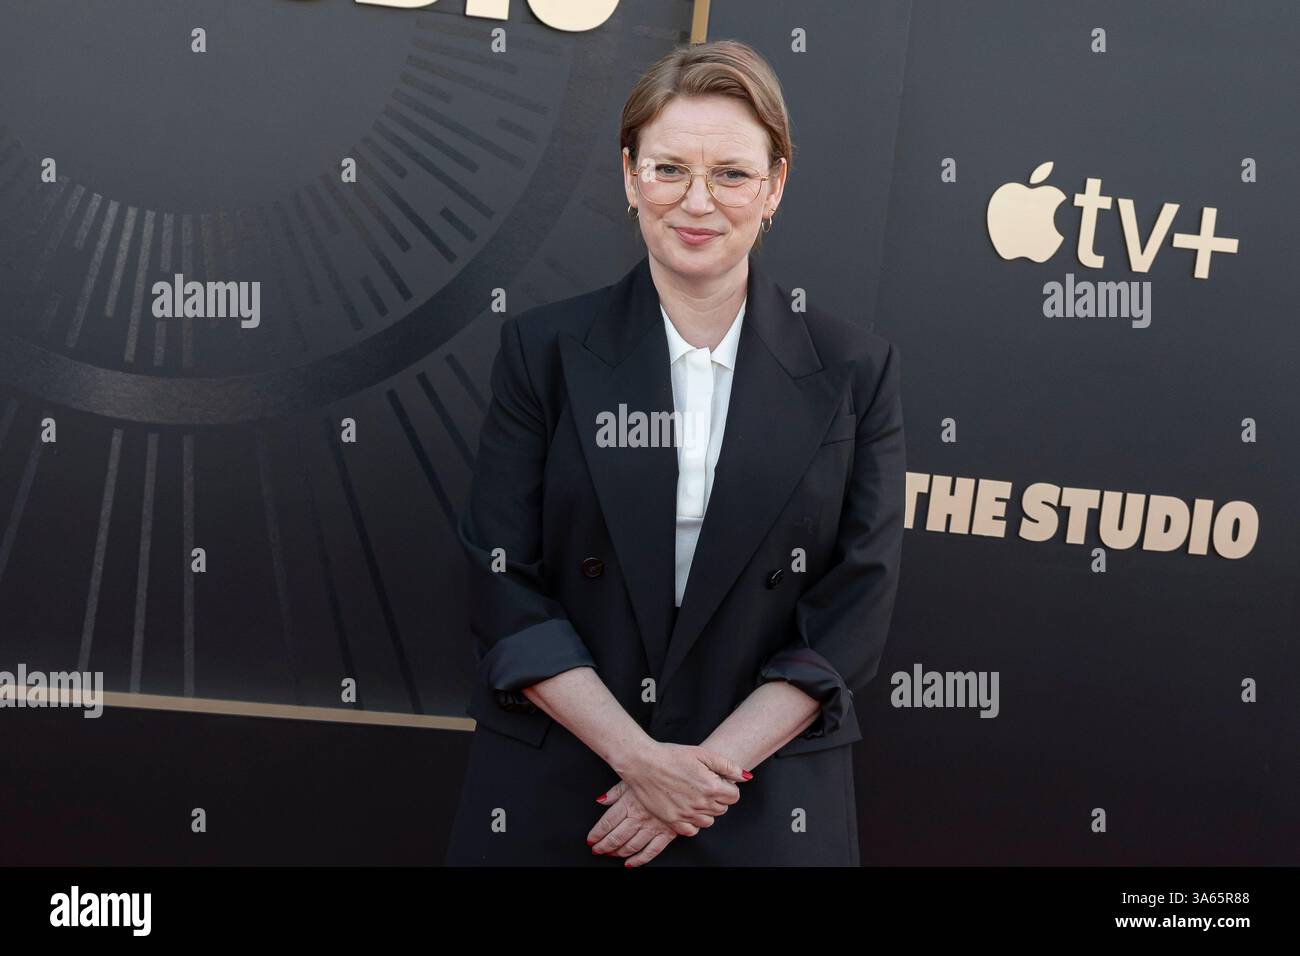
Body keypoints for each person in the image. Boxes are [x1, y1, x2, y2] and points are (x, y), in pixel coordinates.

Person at [444, 38, 905, 866]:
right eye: (668, 170)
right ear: (630, 177)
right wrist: (640, 761)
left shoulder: (854, 372)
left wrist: (698, 780)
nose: (697, 202)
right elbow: (502, 583)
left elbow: (853, 608)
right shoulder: (541, 351)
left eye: (731, 173)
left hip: (763, 803)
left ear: (775, 186)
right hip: (566, 795)